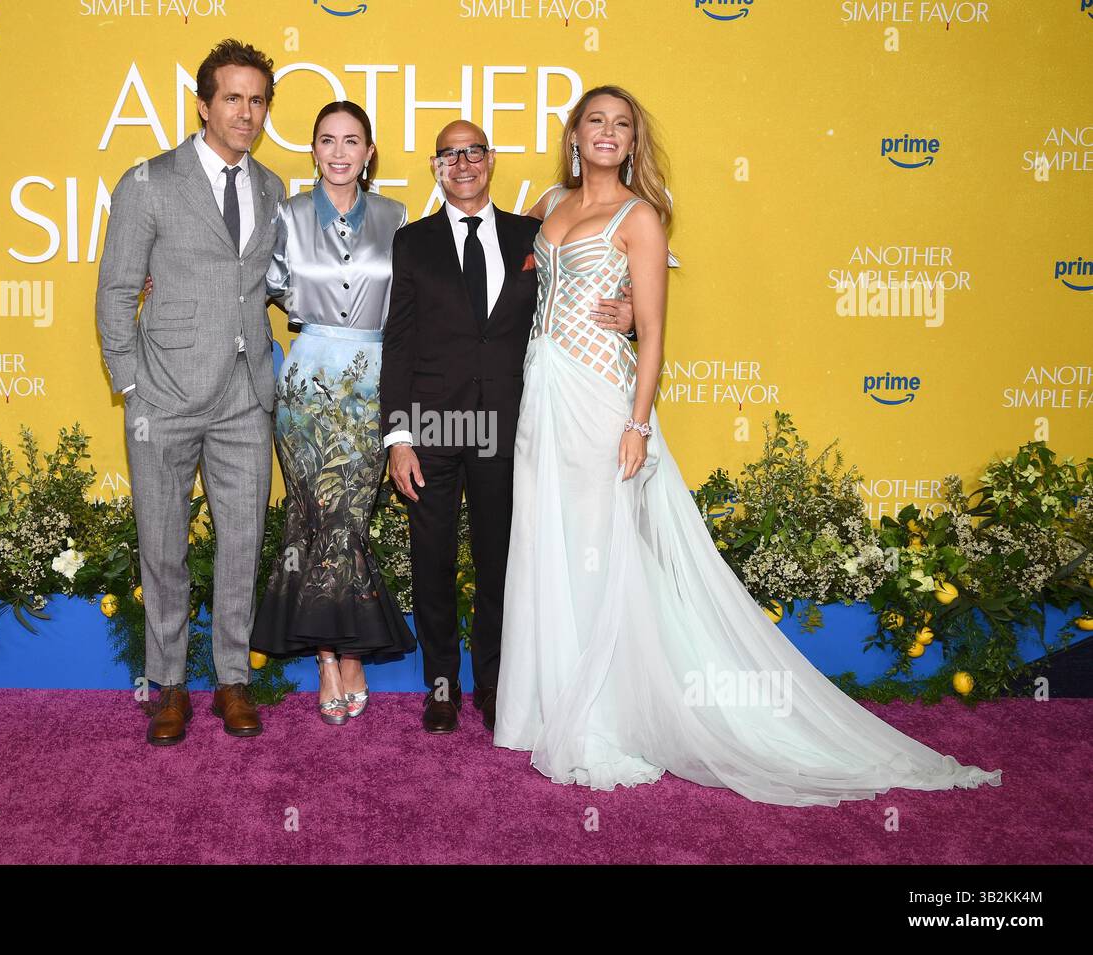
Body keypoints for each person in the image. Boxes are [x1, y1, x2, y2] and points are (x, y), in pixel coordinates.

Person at [494, 85, 1004, 805]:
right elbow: (518, 296)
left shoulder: (640, 218)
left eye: (622, 125)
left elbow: (656, 335)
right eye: (595, 121)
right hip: (541, 398)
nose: (607, 133)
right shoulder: (547, 205)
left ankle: (606, 715)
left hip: (600, 403)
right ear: (574, 132)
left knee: (602, 553)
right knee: (547, 542)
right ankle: (548, 704)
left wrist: (637, 423)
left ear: (633, 143)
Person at [381, 120, 634, 735]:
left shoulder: (534, 233)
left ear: (490, 160)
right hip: (433, 425)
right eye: (450, 155)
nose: (463, 163)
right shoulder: (413, 242)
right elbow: (399, 343)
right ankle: (441, 682)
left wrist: (628, 316)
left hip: (510, 425)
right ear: (436, 167)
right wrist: (398, 437)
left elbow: (580, 295)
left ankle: (495, 681)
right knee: (432, 559)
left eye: (473, 152)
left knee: (501, 559)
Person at [96, 39, 282, 745]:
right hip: (164, 396)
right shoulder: (147, 181)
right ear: (204, 105)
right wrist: (132, 387)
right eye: (232, 98)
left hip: (244, 395)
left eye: (257, 99)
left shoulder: (269, 187)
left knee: (243, 542)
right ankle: (168, 683)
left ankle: (232, 678)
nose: (246, 111)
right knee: (163, 547)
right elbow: (115, 293)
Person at [250, 101, 417, 725]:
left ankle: (341, 643)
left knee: (351, 518)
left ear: (369, 151)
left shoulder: (397, 216)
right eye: (328, 141)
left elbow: (417, 299)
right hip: (308, 379)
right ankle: (333, 654)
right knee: (313, 512)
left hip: (373, 382)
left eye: (353, 141)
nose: (340, 152)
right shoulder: (287, 216)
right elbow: (250, 285)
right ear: (313, 149)